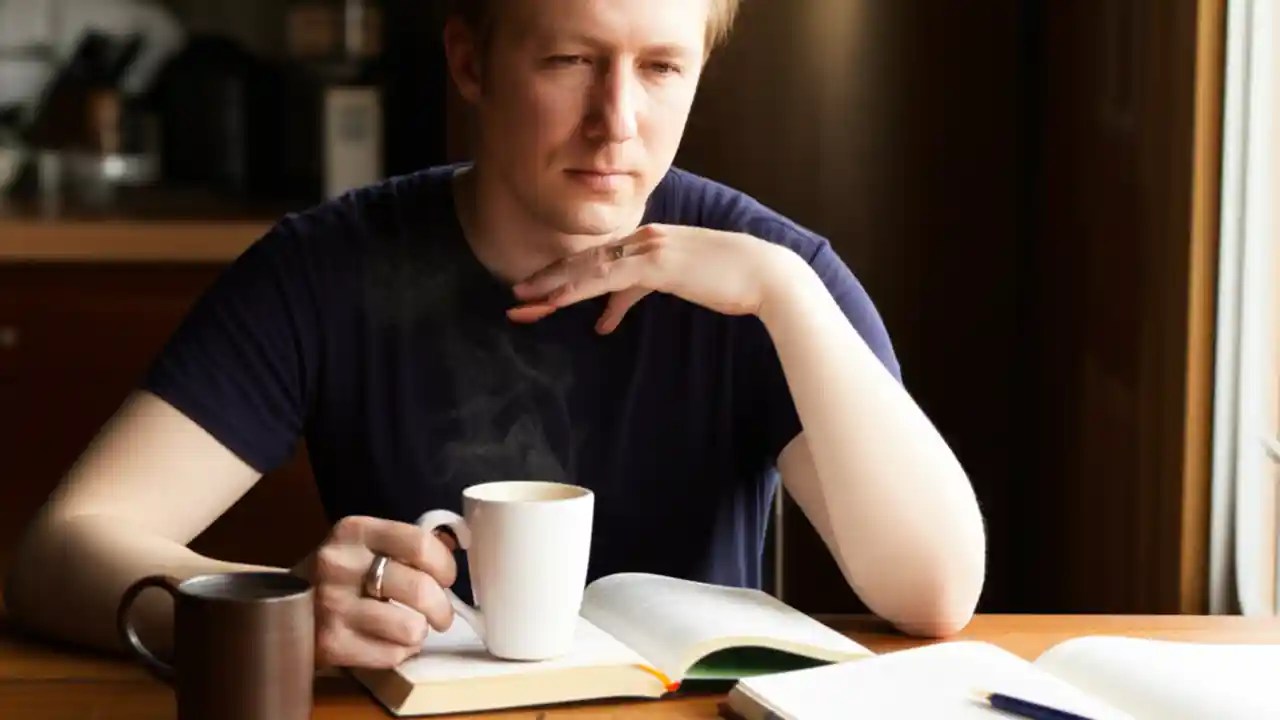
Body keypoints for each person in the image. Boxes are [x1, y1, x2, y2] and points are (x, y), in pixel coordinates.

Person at [4, 0, 986, 671]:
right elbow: (58, 551)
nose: (618, 123)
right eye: (569, 61)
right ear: (469, 60)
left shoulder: (770, 276)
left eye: (659, 68)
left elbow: (934, 592)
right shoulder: (324, 269)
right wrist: (278, 612)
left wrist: (785, 295)